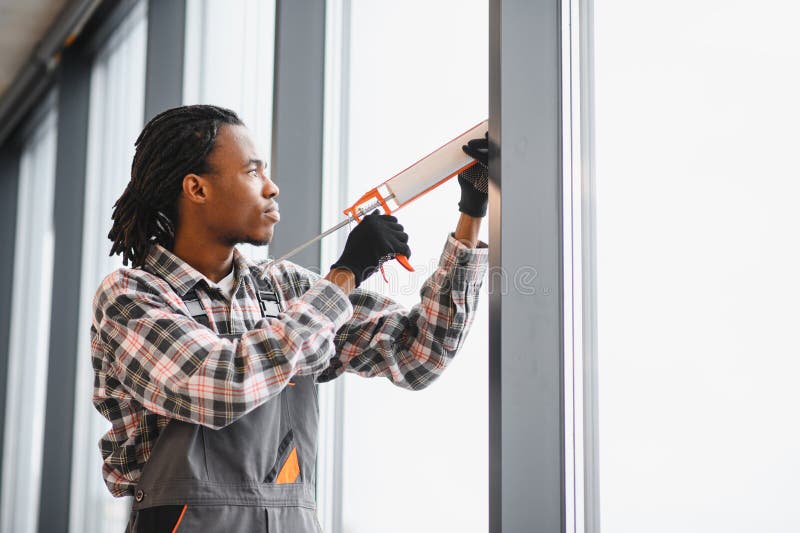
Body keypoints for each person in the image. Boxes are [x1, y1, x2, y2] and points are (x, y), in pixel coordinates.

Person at [91, 105, 489, 532]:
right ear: (197, 188)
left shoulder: (286, 289)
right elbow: (221, 385)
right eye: (252, 172)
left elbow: (419, 353)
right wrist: (344, 276)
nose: (272, 188)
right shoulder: (132, 296)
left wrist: (471, 213)